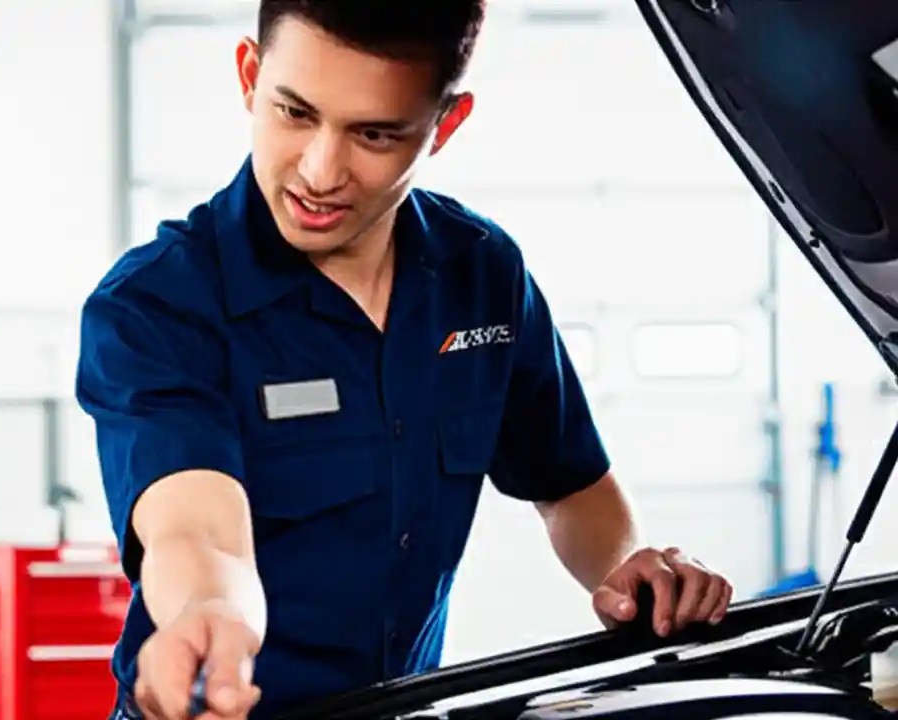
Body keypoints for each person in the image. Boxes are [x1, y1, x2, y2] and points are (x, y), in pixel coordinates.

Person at [76, 3, 734, 718]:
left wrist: (625, 567)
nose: (320, 171)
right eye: (295, 113)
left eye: (375, 134)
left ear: (444, 126)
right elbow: (198, 527)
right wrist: (210, 615)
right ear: (249, 76)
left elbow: (572, 488)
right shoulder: (161, 304)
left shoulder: (481, 276)